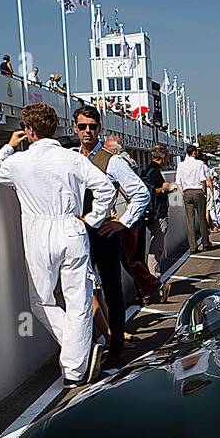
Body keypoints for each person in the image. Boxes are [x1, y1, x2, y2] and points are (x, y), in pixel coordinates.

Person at [0, 102, 115, 386]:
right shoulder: (72, 159)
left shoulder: (18, 162)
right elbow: (106, 188)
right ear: (55, 127)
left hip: (38, 233)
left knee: (41, 301)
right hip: (71, 228)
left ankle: (74, 356)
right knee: (78, 300)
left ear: (28, 130)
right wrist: (92, 219)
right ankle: (75, 367)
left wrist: (8, 146)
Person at [74, 104, 150, 368]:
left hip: (104, 233)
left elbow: (141, 193)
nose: (87, 131)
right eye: (82, 126)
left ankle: (116, 346)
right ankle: (86, 348)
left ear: (99, 129)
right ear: (75, 128)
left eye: (92, 127)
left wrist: (122, 223)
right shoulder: (70, 159)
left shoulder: (112, 160)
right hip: (76, 234)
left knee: (112, 290)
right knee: (80, 290)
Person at [103, 137, 161, 305]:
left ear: (114, 150)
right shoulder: (129, 162)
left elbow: (135, 192)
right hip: (131, 214)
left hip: (127, 214)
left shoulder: (120, 163)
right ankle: (145, 291)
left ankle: (153, 287)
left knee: (130, 258)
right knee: (132, 257)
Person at [175, 143, 214, 253]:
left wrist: (183, 193)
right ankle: (205, 243)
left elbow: (178, 182)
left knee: (190, 221)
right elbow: (203, 180)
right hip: (198, 192)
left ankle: (193, 247)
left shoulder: (181, 165)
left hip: (187, 192)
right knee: (201, 218)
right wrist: (204, 193)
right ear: (193, 152)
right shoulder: (199, 163)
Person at [142, 144, 173, 281]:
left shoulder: (148, 169)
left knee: (156, 246)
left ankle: (152, 277)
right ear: (164, 156)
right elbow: (149, 192)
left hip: (151, 213)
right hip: (157, 213)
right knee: (157, 247)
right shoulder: (153, 172)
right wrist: (164, 189)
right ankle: (154, 278)